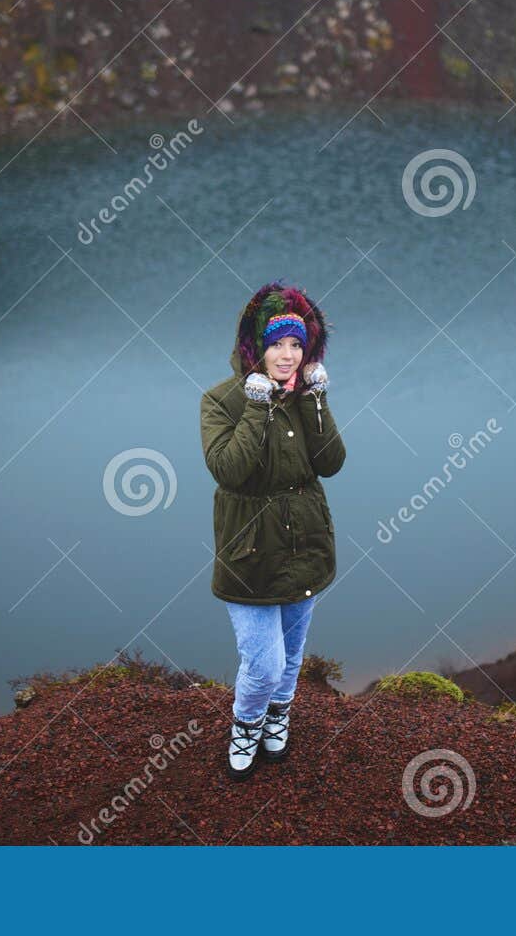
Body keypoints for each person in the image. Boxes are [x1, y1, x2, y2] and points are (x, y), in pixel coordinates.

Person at [199, 280, 347, 780]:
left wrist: (316, 401)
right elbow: (229, 470)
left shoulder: (307, 395)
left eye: (296, 344)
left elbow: (331, 463)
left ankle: (278, 714)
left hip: (305, 544)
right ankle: (246, 723)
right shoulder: (220, 401)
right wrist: (259, 406)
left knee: (292, 653)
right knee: (262, 662)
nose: (287, 355)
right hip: (249, 554)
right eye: (277, 343)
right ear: (255, 346)